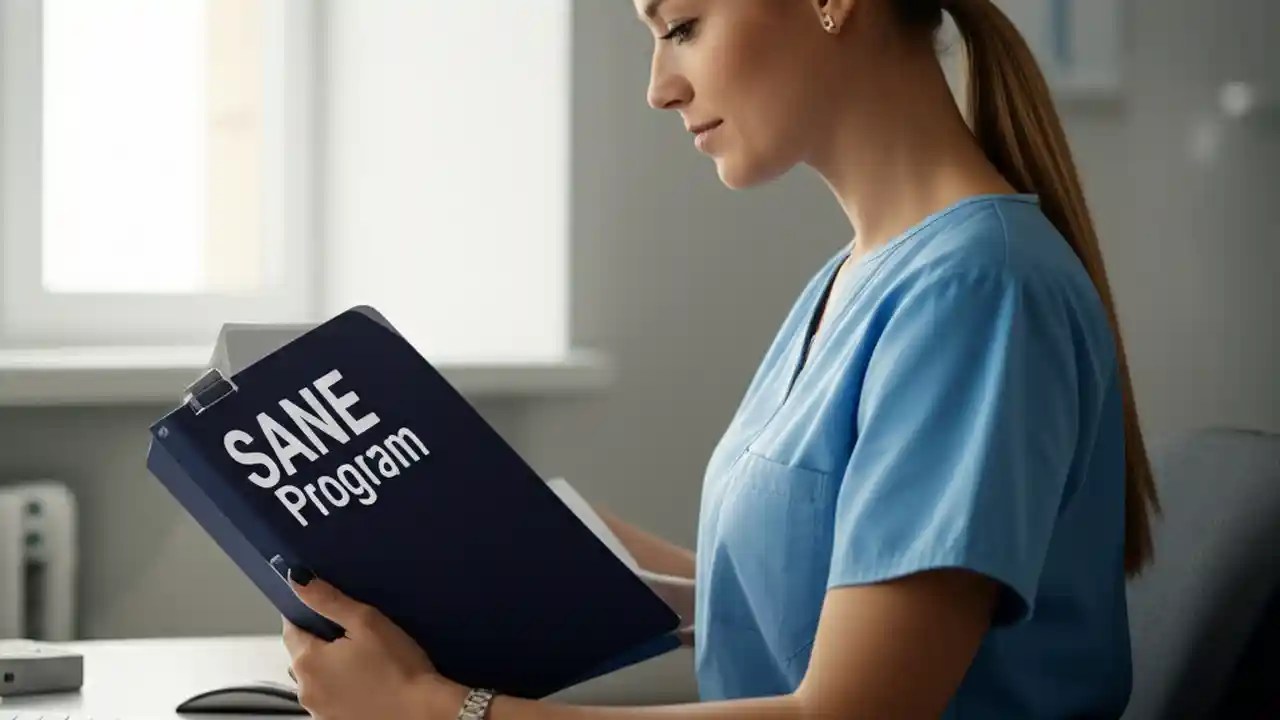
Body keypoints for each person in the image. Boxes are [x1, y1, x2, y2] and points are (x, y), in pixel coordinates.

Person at [280, 0, 1162, 717]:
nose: (660, 87)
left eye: (682, 28)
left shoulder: (976, 291)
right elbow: (838, 598)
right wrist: (603, 573)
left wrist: (441, 712)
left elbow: (851, 713)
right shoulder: (860, 278)